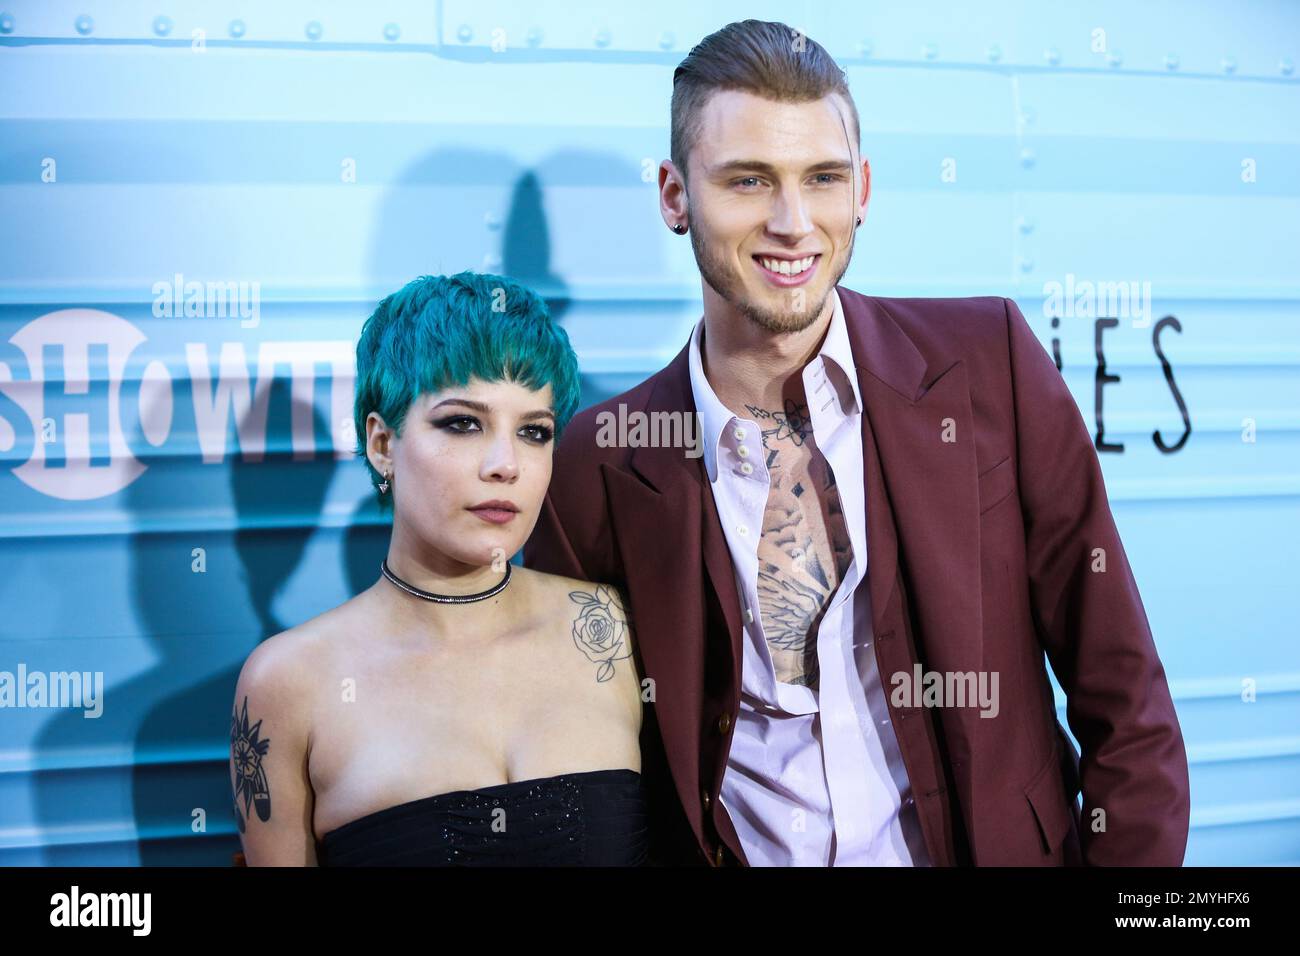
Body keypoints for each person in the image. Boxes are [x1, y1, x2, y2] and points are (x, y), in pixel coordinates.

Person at [524, 19, 1190, 866]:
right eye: (749, 181)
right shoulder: (601, 462)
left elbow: (1127, 701)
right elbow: (583, 777)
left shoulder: (990, 367)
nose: (793, 222)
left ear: (863, 188)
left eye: (823, 179)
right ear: (674, 195)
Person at [229, 272, 647, 866]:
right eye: (462, 423)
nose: (505, 465)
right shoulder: (288, 682)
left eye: (534, 432)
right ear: (382, 443)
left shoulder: (607, 626)